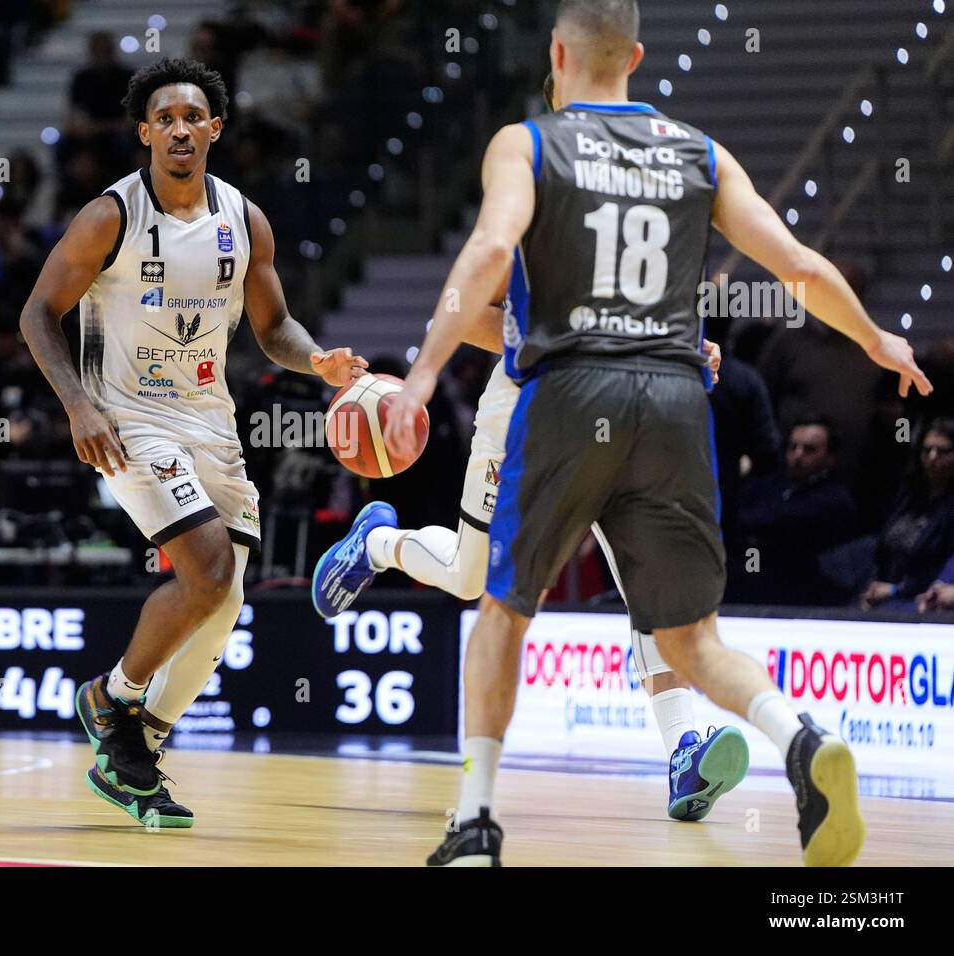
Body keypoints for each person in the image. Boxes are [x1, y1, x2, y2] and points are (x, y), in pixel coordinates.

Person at [382, 0, 930, 866]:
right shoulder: (699, 152)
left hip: (568, 390)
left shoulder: (527, 143)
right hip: (677, 398)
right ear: (634, 55)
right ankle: (802, 743)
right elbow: (796, 266)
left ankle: (476, 822)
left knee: (501, 610)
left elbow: (489, 252)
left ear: (556, 54)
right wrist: (875, 338)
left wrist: (419, 375)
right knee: (694, 640)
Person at [312, 76, 746, 825]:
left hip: (619, 402)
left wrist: (682, 349)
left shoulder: (644, 181)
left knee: (649, 577)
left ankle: (685, 744)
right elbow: (467, 311)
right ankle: (379, 544)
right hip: (526, 405)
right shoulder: (531, 176)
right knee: (469, 574)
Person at [19, 57, 367, 828]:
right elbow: (39, 312)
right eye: (165, 118)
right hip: (128, 414)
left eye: (193, 117)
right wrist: (77, 404)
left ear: (215, 129)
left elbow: (273, 328)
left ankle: (134, 752)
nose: (180, 128)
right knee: (206, 567)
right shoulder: (109, 215)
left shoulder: (245, 220)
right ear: (145, 132)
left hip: (211, 419)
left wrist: (317, 361)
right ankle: (112, 698)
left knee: (225, 600)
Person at [739, 418, 858, 605]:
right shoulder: (773, 482)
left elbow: (776, 521)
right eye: (793, 447)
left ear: (830, 457)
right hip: (755, 573)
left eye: (809, 449)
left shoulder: (835, 497)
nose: (798, 455)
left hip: (802, 590)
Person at [862, 419, 954, 610]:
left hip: (922, 598)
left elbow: (943, 567)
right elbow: (882, 549)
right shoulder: (909, 495)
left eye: (943, 451)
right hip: (884, 591)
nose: (932, 457)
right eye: (926, 450)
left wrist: (896, 590)